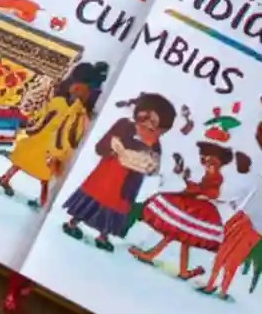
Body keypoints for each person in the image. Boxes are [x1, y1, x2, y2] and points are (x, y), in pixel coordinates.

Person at [61, 93, 176, 251]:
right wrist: (112, 150)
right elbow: (104, 143)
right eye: (146, 117)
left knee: (115, 206)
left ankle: (103, 235)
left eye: (154, 122)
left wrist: (147, 163)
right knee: (95, 198)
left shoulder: (155, 141)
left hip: (129, 180)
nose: (149, 124)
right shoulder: (125, 125)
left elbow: (154, 163)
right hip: (108, 172)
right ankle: (73, 223)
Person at [132, 140, 253, 280]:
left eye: (212, 163)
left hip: (200, 209)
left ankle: (156, 256)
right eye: (207, 161)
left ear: (219, 164)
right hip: (194, 204)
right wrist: (190, 184)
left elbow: (213, 192)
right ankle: (177, 267)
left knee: (179, 236)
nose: (208, 165)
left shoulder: (217, 177)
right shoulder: (209, 174)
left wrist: (201, 193)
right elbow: (200, 186)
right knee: (181, 237)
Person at [0, 62, 107, 207]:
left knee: (43, 171)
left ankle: (40, 198)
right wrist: (34, 128)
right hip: (47, 136)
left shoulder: (77, 106)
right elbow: (46, 117)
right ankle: (9, 180)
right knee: (28, 162)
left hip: (55, 140)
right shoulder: (65, 101)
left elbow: (68, 124)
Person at [199, 123, 262, 299]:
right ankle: (214, 284)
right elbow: (248, 192)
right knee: (225, 254)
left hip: (253, 226)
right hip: (246, 220)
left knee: (230, 258)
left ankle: (219, 287)